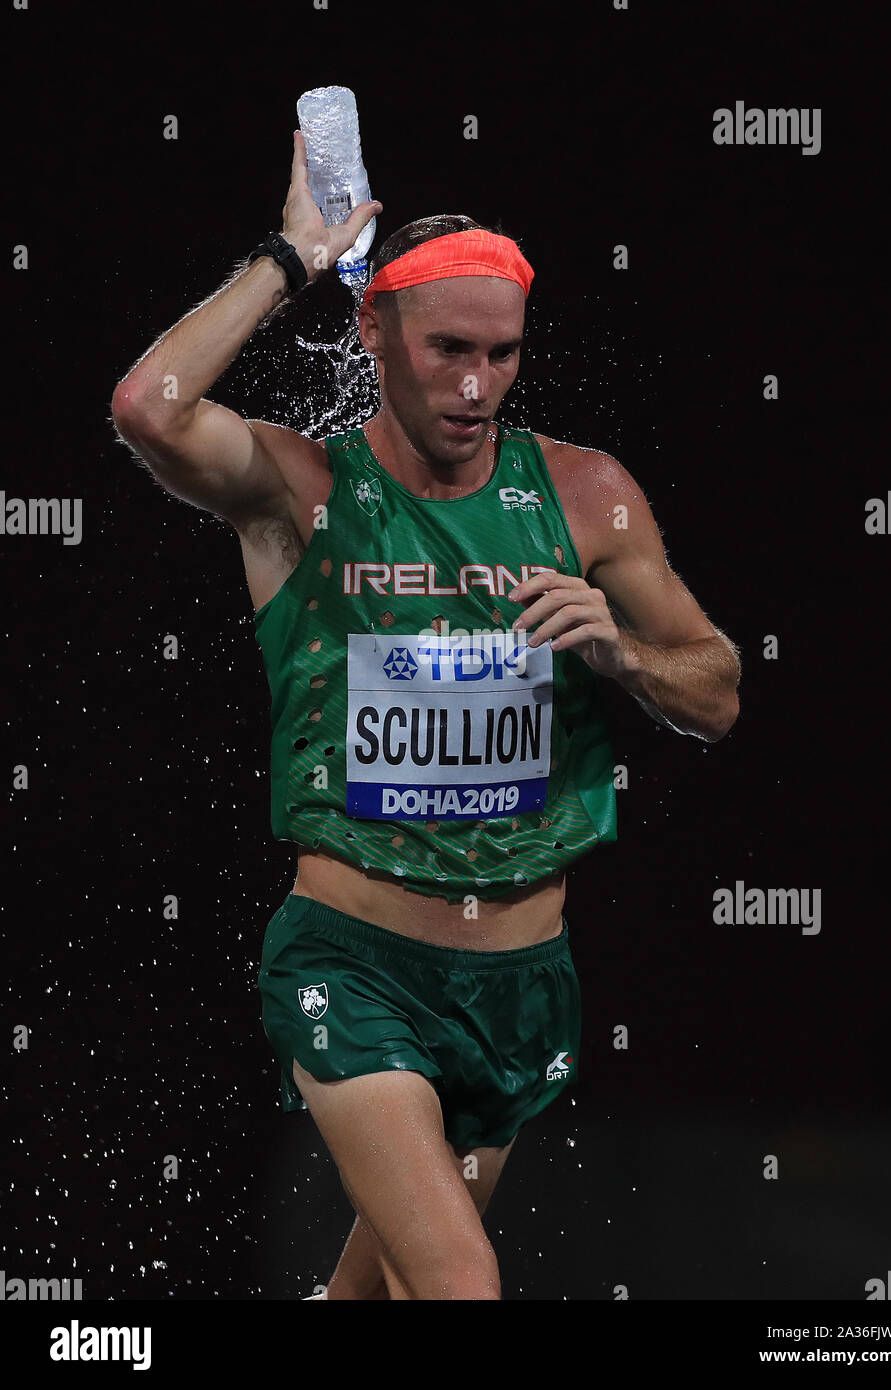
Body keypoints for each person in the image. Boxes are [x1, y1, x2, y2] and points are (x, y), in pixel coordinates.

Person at [110, 129, 741, 1301]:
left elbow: (715, 692)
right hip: (355, 966)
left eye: (499, 354)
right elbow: (149, 407)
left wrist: (620, 652)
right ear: (371, 334)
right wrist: (291, 256)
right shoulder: (301, 491)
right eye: (447, 348)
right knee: (457, 1280)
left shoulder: (583, 493)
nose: (474, 383)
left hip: (519, 982)